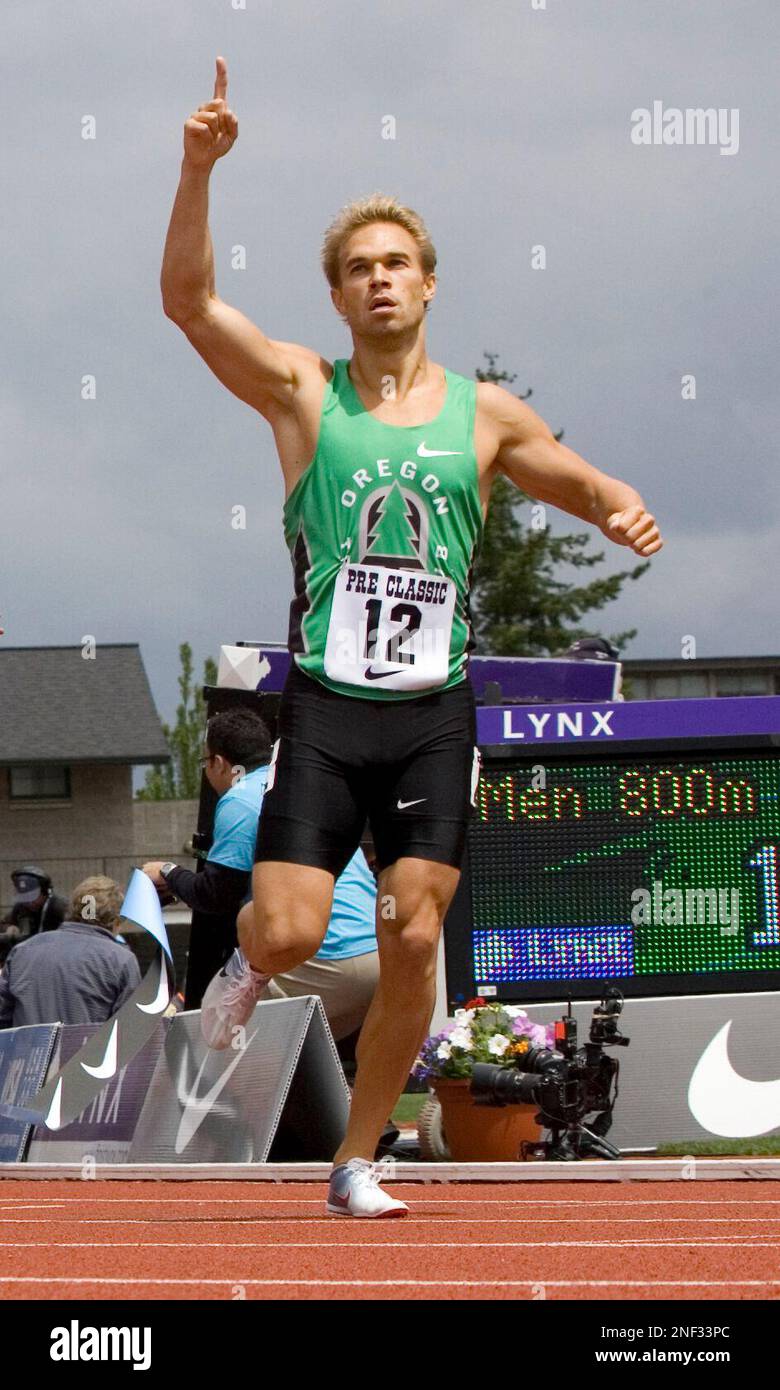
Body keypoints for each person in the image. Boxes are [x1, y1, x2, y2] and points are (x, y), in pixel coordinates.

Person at [161, 57, 664, 1216]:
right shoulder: (302, 392)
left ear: (429, 284)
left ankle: (358, 1158)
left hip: (434, 704)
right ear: (337, 297)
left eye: (396, 264)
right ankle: (245, 968)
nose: (378, 281)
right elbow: (189, 304)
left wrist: (617, 501)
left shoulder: (482, 414)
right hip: (331, 701)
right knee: (286, 928)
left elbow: (571, 479)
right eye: (357, 270)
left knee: (415, 925)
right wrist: (197, 170)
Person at [141, 707, 380, 1044]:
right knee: (301, 1059)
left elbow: (217, 894)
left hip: (328, 957)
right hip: (377, 956)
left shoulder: (240, 799)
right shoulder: (308, 790)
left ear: (220, 763)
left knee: (215, 1038)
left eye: (205, 762)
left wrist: (166, 871)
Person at [0, 876, 141, 1028]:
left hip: (26, 1051)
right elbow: (130, 1030)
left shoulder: (22, 951)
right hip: (90, 1051)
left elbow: (3, 1017)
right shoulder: (121, 960)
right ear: (116, 921)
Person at [1, 865, 66, 943]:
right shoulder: (21, 907)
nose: (29, 903)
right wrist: (9, 928)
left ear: (45, 892)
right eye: (24, 898)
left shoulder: (60, 908)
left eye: (32, 897)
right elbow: (4, 923)